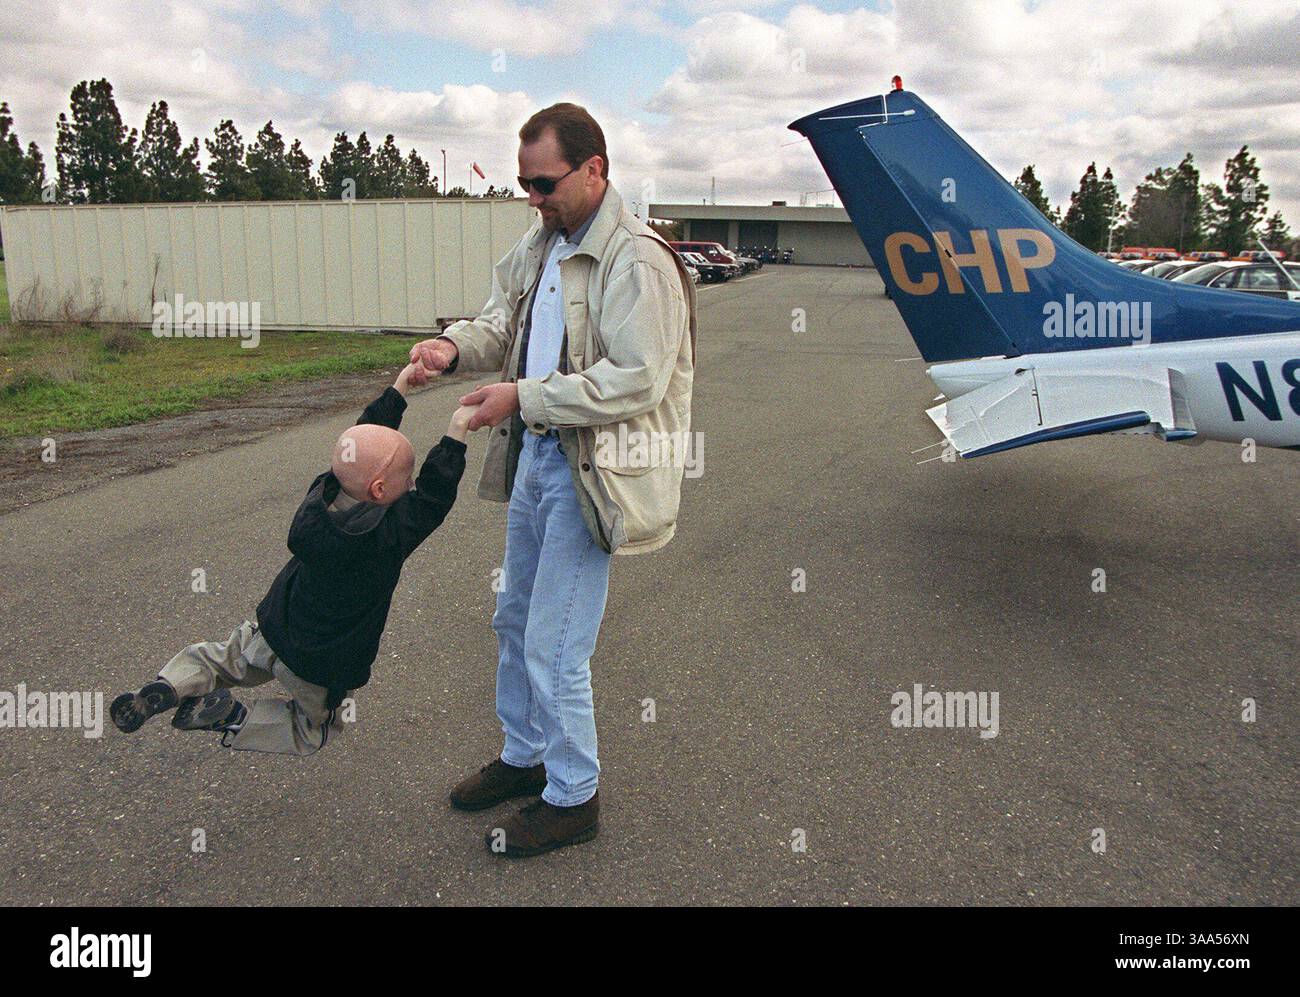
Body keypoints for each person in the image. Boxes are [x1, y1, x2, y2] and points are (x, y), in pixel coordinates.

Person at [408, 102, 697, 858]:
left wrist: (524, 397)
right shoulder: (543, 243)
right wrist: (449, 350)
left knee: (556, 641)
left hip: (591, 469)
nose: (532, 198)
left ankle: (574, 797)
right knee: (514, 621)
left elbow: (637, 377)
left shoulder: (637, 259)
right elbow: (500, 325)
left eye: (544, 183)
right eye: (523, 184)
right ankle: (524, 753)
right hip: (538, 456)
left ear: (595, 169)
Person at [109, 363, 479, 755]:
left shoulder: (321, 496)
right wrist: (458, 428)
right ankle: (231, 718)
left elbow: (356, 446)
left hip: (273, 626)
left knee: (220, 659)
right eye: (407, 479)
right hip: (319, 665)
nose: (412, 485)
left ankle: (169, 686)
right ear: (380, 489)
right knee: (310, 731)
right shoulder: (387, 539)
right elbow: (434, 497)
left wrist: (400, 389)